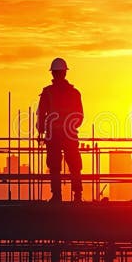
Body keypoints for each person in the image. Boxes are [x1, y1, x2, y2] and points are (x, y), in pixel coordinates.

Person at [37, 58, 84, 203]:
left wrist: (41, 131)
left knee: (55, 166)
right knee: (74, 166)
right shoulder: (74, 93)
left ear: (53, 74)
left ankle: (57, 196)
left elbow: (41, 115)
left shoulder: (47, 92)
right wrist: (71, 127)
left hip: (53, 135)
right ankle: (77, 196)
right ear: (64, 73)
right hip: (69, 135)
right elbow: (80, 116)